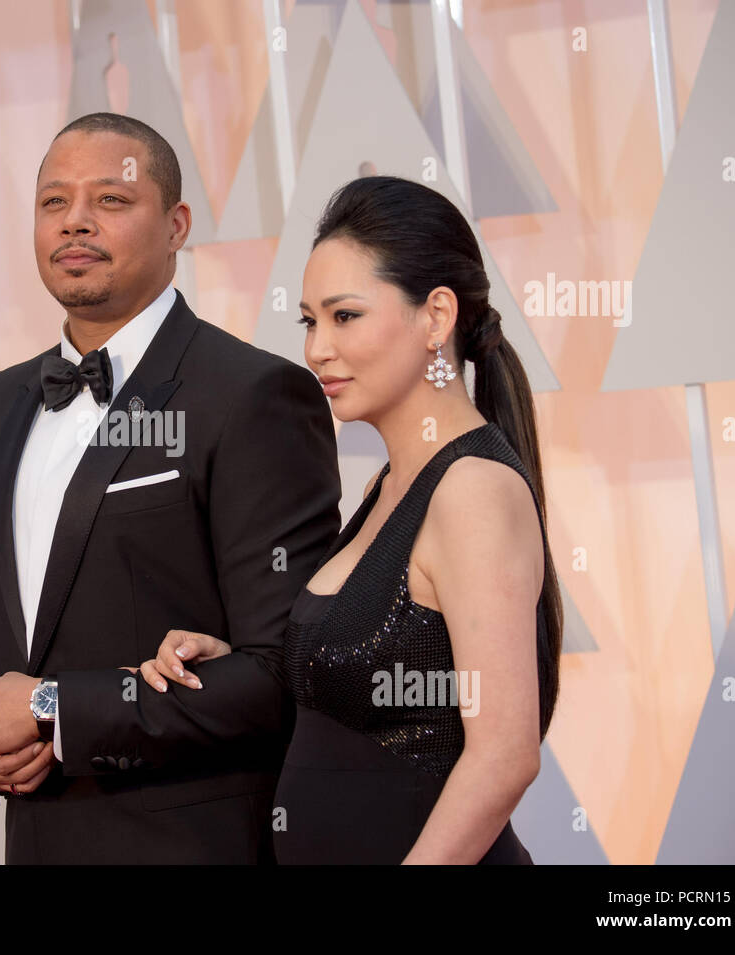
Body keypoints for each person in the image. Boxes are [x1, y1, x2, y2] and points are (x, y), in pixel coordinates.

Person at [0, 112, 341, 864]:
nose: (75, 221)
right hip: (37, 841)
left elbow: (281, 670)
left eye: (110, 200)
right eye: (53, 202)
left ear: (177, 224)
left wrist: (48, 710)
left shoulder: (252, 395)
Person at [140, 175, 564, 864]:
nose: (317, 350)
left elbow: (505, 757)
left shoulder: (473, 492)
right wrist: (224, 657)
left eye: (345, 316)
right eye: (310, 320)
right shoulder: (390, 485)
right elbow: (361, 681)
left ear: (436, 316)